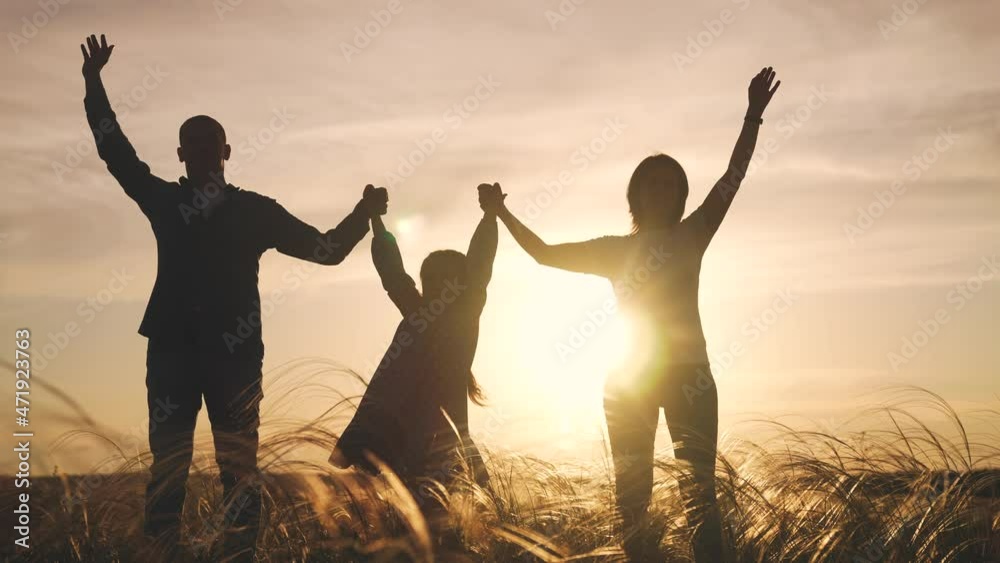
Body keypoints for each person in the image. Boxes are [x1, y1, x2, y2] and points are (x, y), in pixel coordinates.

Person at [79, 34, 388, 562]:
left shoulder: (256, 212)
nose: (201, 151)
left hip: (235, 356)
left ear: (226, 151)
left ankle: (239, 556)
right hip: (173, 351)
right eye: (191, 143)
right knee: (169, 468)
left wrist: (363, 214)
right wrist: (93, 83)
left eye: (210, 142)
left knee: (240, 471)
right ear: (180, 154)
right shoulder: (164, 200)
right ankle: (162, 554)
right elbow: (115, 152)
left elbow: (327, 250)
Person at [494, 68, 781, 562]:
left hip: (690, 376)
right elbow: (542, 253)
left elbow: (732, 178)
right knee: (633, 500)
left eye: (671, 186)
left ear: (681, 196)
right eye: (652, 185)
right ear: (636, 194)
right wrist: (501, 212)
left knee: (700, 495)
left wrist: (752, 115)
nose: (661, 193)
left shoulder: (693, 234)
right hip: (630, 379)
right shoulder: (612, 251)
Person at [330, 183, 501, 500]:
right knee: (422, 510)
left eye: (443, 278)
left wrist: (490, 217)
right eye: (433, 279)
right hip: (410, 433)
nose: (438, 285)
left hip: (424, 434)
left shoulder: (451, 313)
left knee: (434, 508)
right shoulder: (431, 312)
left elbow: (478, 265)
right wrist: (376, 222)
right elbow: (393, 271)